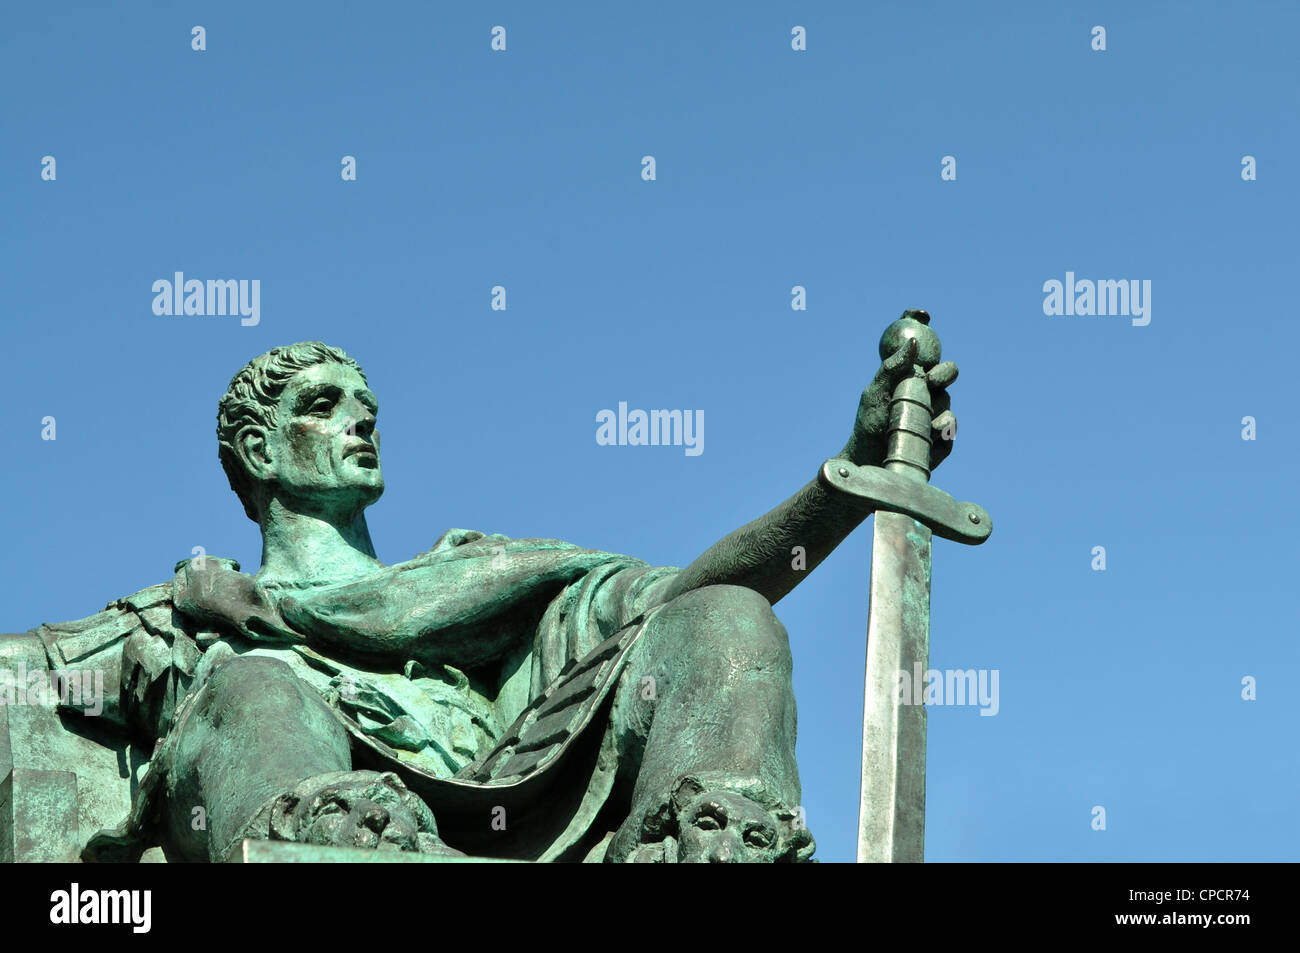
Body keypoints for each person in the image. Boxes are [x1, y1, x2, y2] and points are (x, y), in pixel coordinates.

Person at [7, 317, 957, 863]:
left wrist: (845, 478)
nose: (360, 421)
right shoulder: (188, 618)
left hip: (526, 801)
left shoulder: (481, 577)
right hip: (332, 827)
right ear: (261, 450)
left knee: (725, 617)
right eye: (324, 405)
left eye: (368, 407)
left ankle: (708, 845)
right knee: (255, 685)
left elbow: (695, 591)